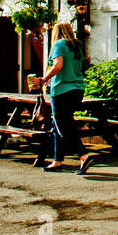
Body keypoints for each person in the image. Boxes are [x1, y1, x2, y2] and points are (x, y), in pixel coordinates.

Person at [40, 22, 94, 174]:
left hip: (62, 90)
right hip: (77, 90)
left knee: (63, 126)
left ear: (56, 32)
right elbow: (84, 65)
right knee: (60, 124)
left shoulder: (58, 45)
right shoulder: (77, 46)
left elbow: (57, 65)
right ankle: (57, 161)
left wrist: (44, 79)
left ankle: (83, 155)